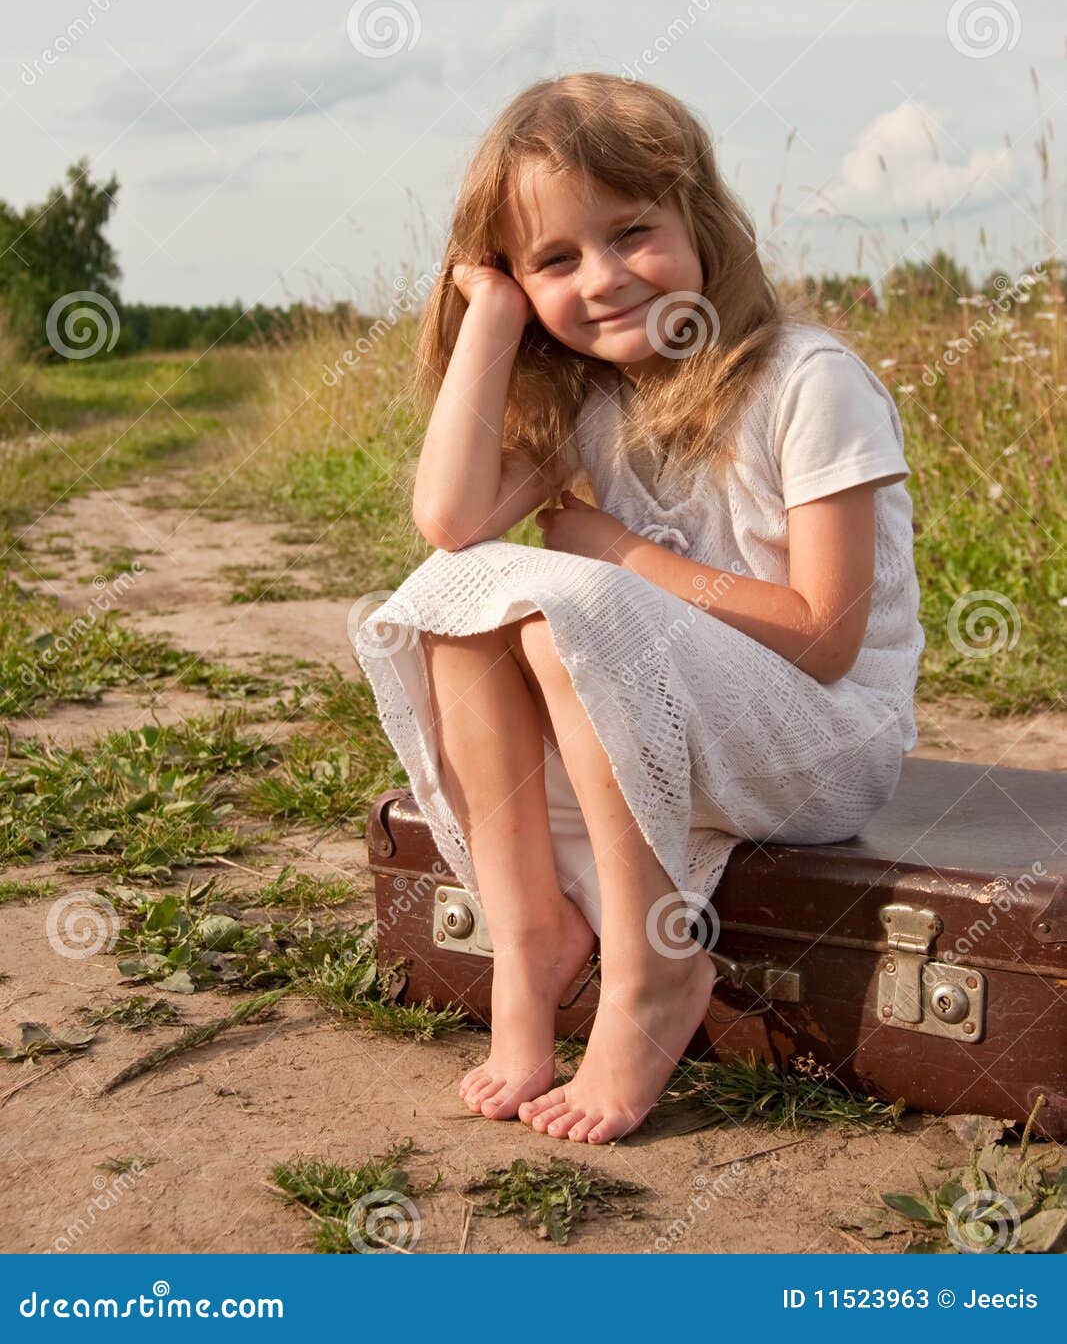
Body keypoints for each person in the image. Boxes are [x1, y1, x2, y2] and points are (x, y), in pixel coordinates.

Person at [351, 71, 924, 1146]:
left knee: (561, 605)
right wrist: (491, 315)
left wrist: (615, 552)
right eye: (555, 259)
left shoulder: (807, 380)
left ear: (697, 220)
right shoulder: (592, 401)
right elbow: (448, 520)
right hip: (679, 731)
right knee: (457, 602)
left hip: (823, 745)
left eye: (630, 233)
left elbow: (823, 633)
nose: (604, 279)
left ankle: (655, 962)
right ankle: (531, 941)